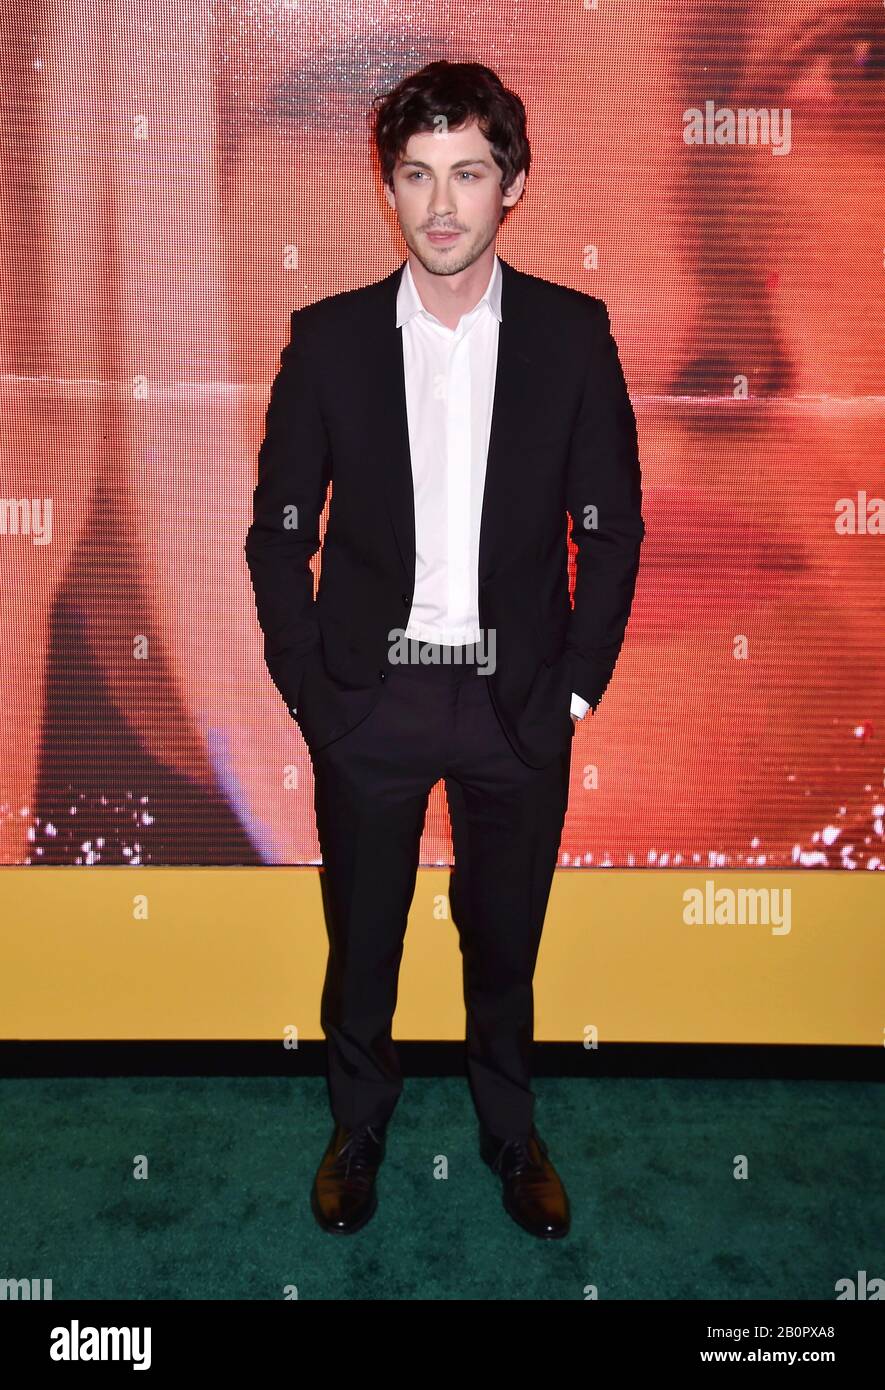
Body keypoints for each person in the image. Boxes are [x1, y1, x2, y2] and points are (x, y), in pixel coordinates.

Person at [244, 60, 645, 1237]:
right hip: (373, 700)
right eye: (417, 176)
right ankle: (357, 1125)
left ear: (511, 182)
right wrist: (311, 689)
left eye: (468, 173)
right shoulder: (328, 342)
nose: (442, 205)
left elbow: (610, 527)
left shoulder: (574, 336)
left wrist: (572, 692)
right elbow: (279, 530)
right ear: (390, 188)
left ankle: (510, 1134)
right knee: (360, 936)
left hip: (516, 702)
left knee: (503, 937)